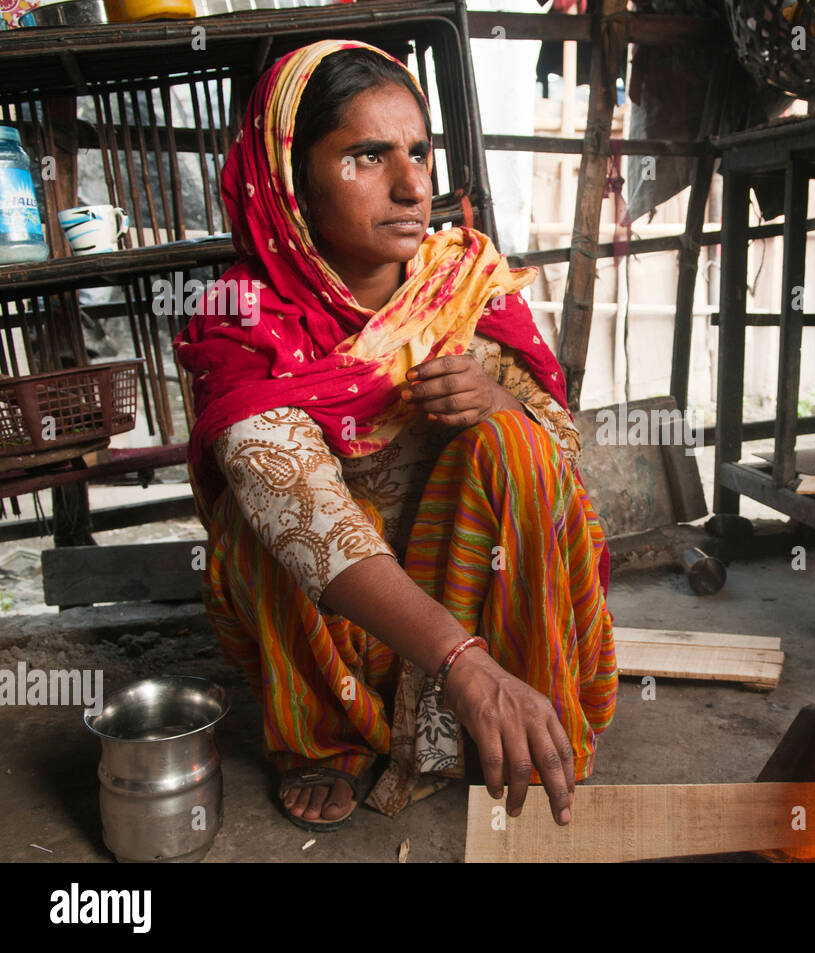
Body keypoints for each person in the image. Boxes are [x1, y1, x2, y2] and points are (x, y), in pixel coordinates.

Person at [174, 38, 616, 833]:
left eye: (418, 152)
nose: (414, 186)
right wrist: (459, 662)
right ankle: (329, 734)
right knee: (255, 510)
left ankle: (522, 698)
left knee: (517, 448)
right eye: (368, 156)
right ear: (291, 180)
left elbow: (563, 461)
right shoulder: (241, 323)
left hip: (471, 588)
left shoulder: (466, 282)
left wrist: (501, 406)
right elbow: (299, 507)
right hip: (350, 631)